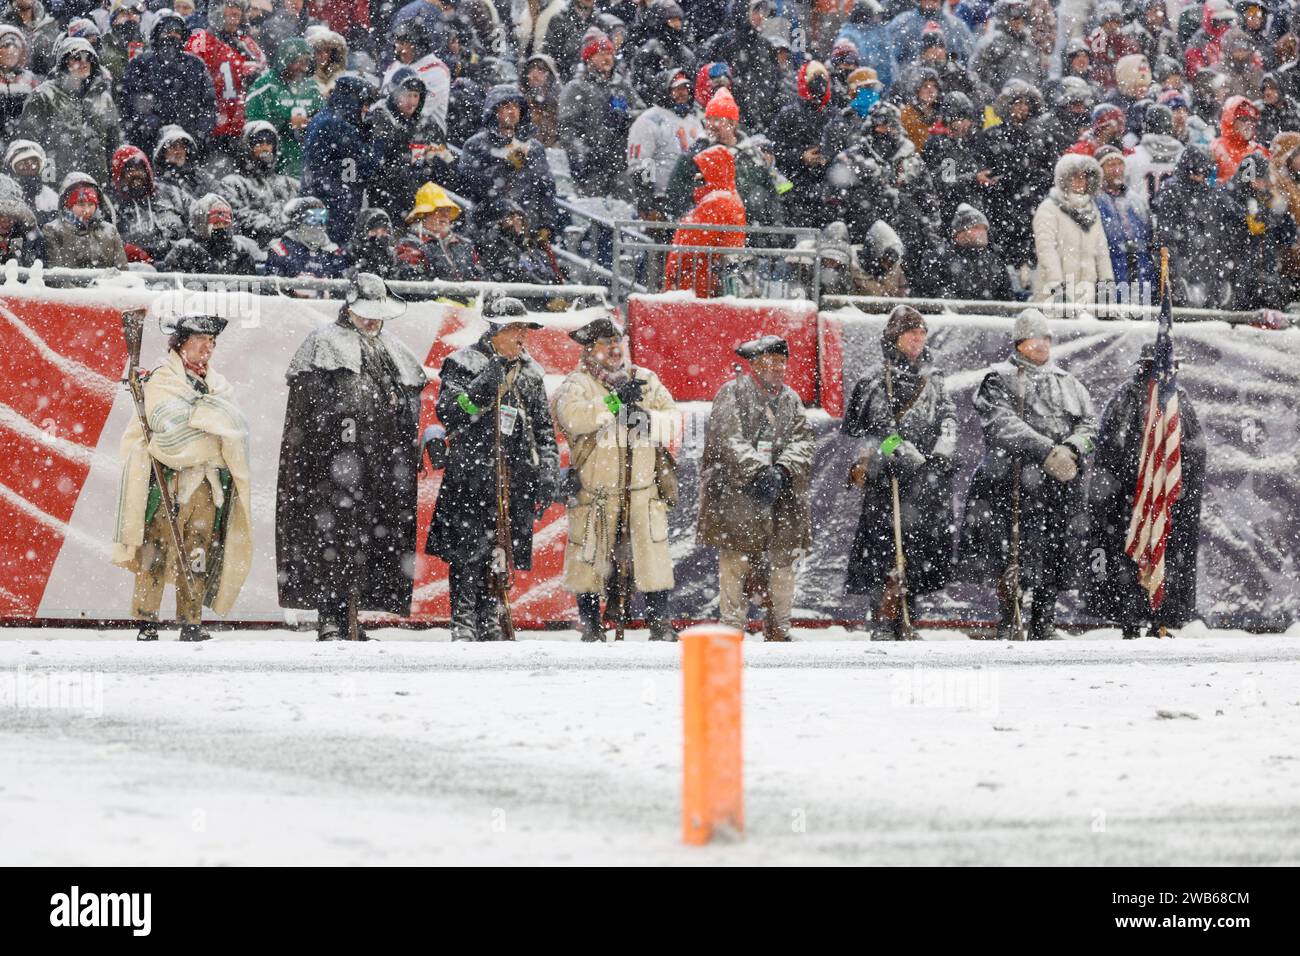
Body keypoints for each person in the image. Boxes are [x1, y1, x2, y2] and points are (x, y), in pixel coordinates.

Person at [276, 273, 428, 641]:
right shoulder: (323, 343)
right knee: (333, 540)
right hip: (333, 466)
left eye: (378, 314)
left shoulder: (391, 349)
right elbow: (308, 411)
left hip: (379, 464)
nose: (373, 320)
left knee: (368, 541)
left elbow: (407, 403)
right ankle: (330, 616)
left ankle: (352, 617)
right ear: (349, 307)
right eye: (367, 312)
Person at [111, 312, 252, 643]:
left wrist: (205, 423)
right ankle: (147, 619)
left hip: (207, 485)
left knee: (199, 550)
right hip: (170, 482)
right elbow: (168, 429)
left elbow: (234, 429)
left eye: (212, 341)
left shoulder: (218, 384)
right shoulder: (162, 380)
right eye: (201, 340)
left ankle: (191, 619)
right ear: (181, 343)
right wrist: (208, 426)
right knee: (156, 548)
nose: (208, 347)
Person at [426, 295, 560, 642]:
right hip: (471, 473)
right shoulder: (462, 362)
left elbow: (544, 429)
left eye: (525, 330)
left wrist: (546, 470)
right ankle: (463, 619)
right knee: (466, 550)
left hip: (514, 475)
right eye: (516, 329)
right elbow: (451, 412)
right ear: (496, 329)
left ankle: (489, 615)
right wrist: (484, 385)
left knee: (501, 548)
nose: (522, 337)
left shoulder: (531, 372)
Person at [959, 309, 1098, 641]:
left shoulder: (1070, 384)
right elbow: (1001, 424)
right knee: (1013, 551)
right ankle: (1010, 617)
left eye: (1047, 339)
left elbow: (1090, 425)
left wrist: (1072, 449)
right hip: (1012, 481)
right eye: (1036, 339)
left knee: (1054, 550)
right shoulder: (999, 379)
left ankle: (1045, 620)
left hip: (1059, 486)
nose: (1043, 345)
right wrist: (1045, 450)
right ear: (1020, 343)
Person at [552, 314, 680, 642]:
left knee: (652, 558)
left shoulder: (645, 379)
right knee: (589, 560)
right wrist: (615, 401)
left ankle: (659, 622)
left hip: (642, 492)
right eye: (606, 343)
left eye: (617, 342)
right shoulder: (576, 384)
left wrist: (647, 419)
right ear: (589, 349)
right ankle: (591, 625)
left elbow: (674, 421)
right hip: (597, 493)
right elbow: (574, 419)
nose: (614, 349)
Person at [842, 306, 957, 639]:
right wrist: (909, 458)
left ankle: (910, 615)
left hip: (927, 482)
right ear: (895, 337)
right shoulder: (877, 379)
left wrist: (941, 450)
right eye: (912, 333)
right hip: (888, 479)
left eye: (922, 333)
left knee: (919, 548)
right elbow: (881, 429)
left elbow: (948, 415)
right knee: (884, 549)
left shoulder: (934, 377)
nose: (918, 339)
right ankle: (883, 616)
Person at [1084, 344, 1206, 639]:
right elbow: (1112, 448)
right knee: (1128, 554)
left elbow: (1195, 448)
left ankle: (1160, 619)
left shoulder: (1179, 400)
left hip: (1167, 501)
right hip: (1129, 500)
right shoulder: (1127, 397)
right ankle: (1129, 619)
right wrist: (1137, 482)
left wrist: (1172, 483)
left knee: (1167, 555)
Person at [698, 335, 814, 642]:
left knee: (782, 564)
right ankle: (731, 629)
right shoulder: (732, 393)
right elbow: (728, 438)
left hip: (782, 498)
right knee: (735, 563)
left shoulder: (790, 399)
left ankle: (779, 626)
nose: (778, 368)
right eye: (771, 362)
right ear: (754, 365)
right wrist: (760, 471)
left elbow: (805, 440)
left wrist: (783, 469)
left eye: (782, 363)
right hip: (738, 496)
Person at [17, 37, 123, 188]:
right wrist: (37, 182)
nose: (84, 62)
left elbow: (115, 143)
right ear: (64, 62)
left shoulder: (104, 99)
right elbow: (28, 143)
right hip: (54, 183)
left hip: (96, 185)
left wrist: (112, 181)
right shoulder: (43, 95)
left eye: (89, 58)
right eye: (77, 57)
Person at [458, 83, 560, 236]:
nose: (512, 112)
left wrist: (546, 224)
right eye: (506, 106)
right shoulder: (475, 145)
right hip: (489, 229)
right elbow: (468, 185)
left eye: (516, 106)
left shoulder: (534, 147)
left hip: (528, 228)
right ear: (493, 111)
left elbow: (546, 189)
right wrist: (504, 167)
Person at [302, 73, 382, 246]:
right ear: (353, 99)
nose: (366, 109)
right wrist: (377, 140)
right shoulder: (338, 125)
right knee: (327, 257)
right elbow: (369, 165)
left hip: (318, 201)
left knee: (312, 250)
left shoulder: (323, 118)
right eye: (364, 103)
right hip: (335, 205)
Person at [663, 142, 746, 296]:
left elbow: (692, 245)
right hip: (704, 278)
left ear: (715, 171)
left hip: (697, 282)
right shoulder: (728, 198)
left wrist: (674, 269)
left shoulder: (716, 202)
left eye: (702, 170)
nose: (697, 175)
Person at [1032, 153, 1114, 306]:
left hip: (1086, 296)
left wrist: (1107, 284)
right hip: (1054, 295)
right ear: (1064, 179)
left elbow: (1102, 251)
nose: (1079, 180)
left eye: (1083, 176)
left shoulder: (1092, 211)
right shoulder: (1049, 208)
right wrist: (1057, 286)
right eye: (1074, 176)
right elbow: (1046, 249)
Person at [626, 68, 704, 219]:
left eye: (685, 88)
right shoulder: (649, 120)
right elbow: (640, 165)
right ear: (665, 91)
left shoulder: (694, 120)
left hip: (692, 199)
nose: (682, 94)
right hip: (662, 199)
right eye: (676, 89)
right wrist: (648, 204)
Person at [244, 36, 323, 177]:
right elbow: (254, 126)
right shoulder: (264, 86)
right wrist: (286, 123)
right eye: (297, 62)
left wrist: (312, 124)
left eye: (306, 62)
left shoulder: (312, 87)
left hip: (304, 157)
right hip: (274, 157)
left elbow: (322, 116)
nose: (302, 67)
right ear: (285, 61)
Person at [770, 59, 834, 227]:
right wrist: (800, 157)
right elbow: (775, 152)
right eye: (814, 76)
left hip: (824, 189)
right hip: (793, 188)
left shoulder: (832, 115)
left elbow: (840, 149)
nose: (819, 81)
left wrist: (827, 158)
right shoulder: (788, 114)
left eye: (822, 76)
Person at [222, 120, 300, 247]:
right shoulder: (232, 183)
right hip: (253, 252)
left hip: (291, 252)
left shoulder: (290, 184)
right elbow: (239, 216)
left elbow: (305, 210)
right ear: (247, 147)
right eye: (259, 143)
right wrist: (278, 225)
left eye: (269, 143)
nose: (265, 148)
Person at [106, 144, 186, 265]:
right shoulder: (112, 205)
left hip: (178, 264)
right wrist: (134, 253)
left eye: (139, 168)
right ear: (119, 176)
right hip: (135, 271)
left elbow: (198, 211)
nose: (135, 174)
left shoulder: (169, 192)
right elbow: (105, 241)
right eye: (129, 170)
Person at [920, 202, 1013, 299]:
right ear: (959, 233)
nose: (982, 233)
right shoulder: (938, 259)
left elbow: (1007, 300)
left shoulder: (995, 262)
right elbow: (928, 293)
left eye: (984, 228)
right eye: (976, 228)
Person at [394, 180, 481, 280]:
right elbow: (412, 284)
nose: (445, 215)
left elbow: (479, 280)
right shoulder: (409, 245)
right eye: (439, 210)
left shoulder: (465, 245)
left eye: (448, 210)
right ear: (423, 215)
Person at [158, 192, 261, 275]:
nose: (222, 228)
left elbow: (248, 292)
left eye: (225, 223)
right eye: (216, 223)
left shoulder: (240, 251)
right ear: (203, 225)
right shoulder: (185, 250)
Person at [40, 173, 127, 268]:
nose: (86, 210)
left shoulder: (110, 231)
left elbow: (122, 273)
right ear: (68, 205)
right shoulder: (53, 230)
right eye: (81, 204)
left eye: (91, 204)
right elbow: (56, 276)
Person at [264, 195, 350, 278]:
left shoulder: (332, 253)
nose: (318, 225)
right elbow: (272, 287)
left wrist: (325, 290)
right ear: (298, 222)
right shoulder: (282, 251)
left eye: (322, 219)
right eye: (312, 219)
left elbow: (343, 287)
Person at [151, 124, 223, 223]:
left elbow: (223, 199)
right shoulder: (158, 185)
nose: (178, 151)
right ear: (162, 153)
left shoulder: (200, 175)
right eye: (172, 146)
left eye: (181, 146)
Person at [1211, 93, 1268, 180]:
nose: (1249, 124)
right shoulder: (1217, 147)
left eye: (1252, 120)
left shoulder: (1258, 150)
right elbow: (1210, 184)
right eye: (1244, 119)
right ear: (1231, 121)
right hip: (1225, 192)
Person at [5, 138, 56, 223]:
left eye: (33, 164)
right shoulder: (6, 195)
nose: (29, 167)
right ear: (13, 169)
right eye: (21, 164)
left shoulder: (51, 198)